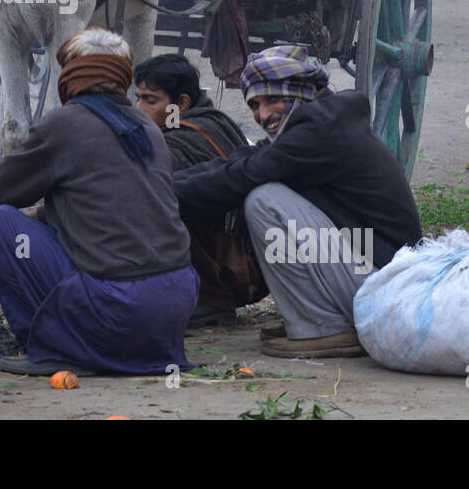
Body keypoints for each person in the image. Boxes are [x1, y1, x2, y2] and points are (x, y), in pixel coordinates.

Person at [0, 28, 199, 376]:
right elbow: (97, 205)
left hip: (119, 307)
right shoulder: (146, 127)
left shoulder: (64, 122)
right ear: (122, 78)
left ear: (69, 75)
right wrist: (2, 190)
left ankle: (52, 348)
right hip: (175, 304)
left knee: (0, 223)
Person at [172, 45, 422, 359]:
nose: (262, 115)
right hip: (375, 275)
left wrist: (158, 197)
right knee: (262, 191)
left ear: (299, 94)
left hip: (385, 289)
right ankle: (317, 316)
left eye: (272, 100)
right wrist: (156, 185)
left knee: (263, 199)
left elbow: (241, 176)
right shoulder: (320, 123)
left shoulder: (318, 133)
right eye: (254, 105)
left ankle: (325, 326)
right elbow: (240, 161)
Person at [134, 54, 264, 325]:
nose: (138, 108)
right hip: (244, 265)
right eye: (138, 98)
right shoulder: (213, 119)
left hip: (231, 271)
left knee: (146, 199)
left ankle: (207, 298)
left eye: (150, 100)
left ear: (181, 103)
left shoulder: (184, 141)